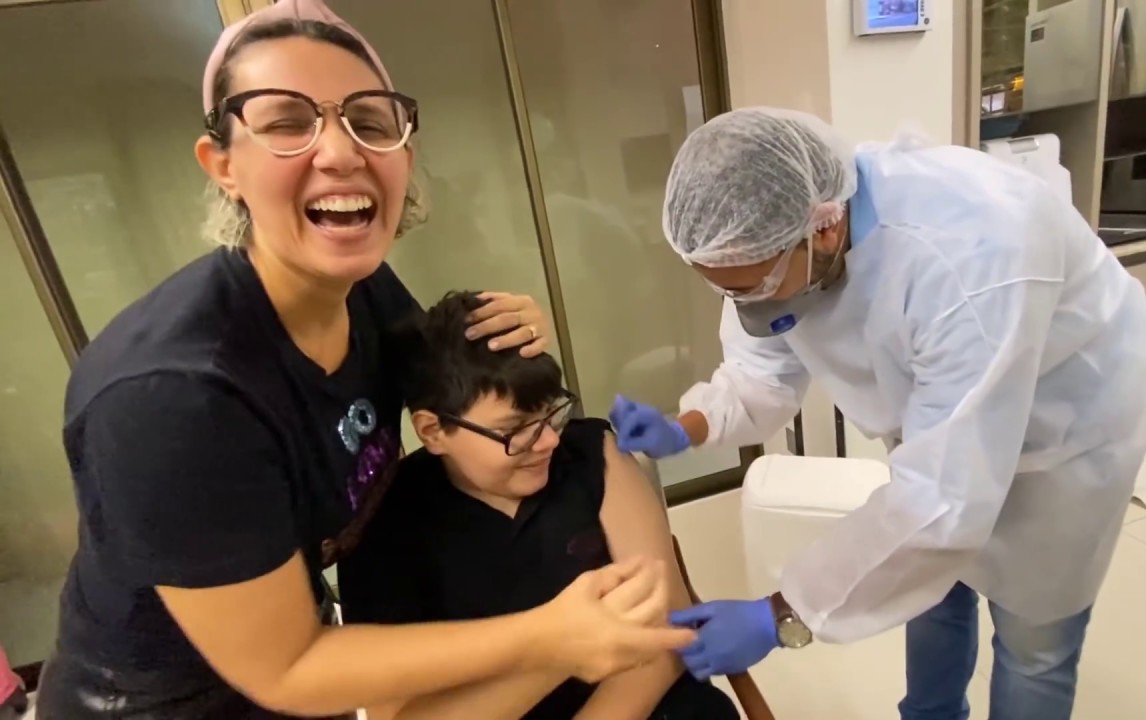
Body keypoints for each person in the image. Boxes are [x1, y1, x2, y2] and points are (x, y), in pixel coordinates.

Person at [36, 2, 693, 718]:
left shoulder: (366, 294)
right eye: (287, 122)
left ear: (404, 157)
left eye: (369, 121)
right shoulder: (172, 396)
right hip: (152, 702)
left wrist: (508, 333)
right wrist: (551, 638)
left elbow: (452, 377)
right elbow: (288, 665)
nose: (340, 151)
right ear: (223, 164)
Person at [610, 107, 1146, 720]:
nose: (742, 303)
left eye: (748, 288)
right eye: (725, 289)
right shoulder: (775, 239)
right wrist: (687, 426)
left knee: (1035, 644)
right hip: (946, 421)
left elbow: (941, 503)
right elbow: (763, 366)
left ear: (819, 232)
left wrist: (779, 615)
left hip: (1063, 433)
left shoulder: (971, 254)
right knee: (930, 595)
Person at [337, 292, 740, 720]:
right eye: (515, 430)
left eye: (550, 415)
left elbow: (666, 630)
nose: (548, 440)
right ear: (433, 430)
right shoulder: (383, 526)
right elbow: (400, 714)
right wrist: (556, 654)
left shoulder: (590, 454)